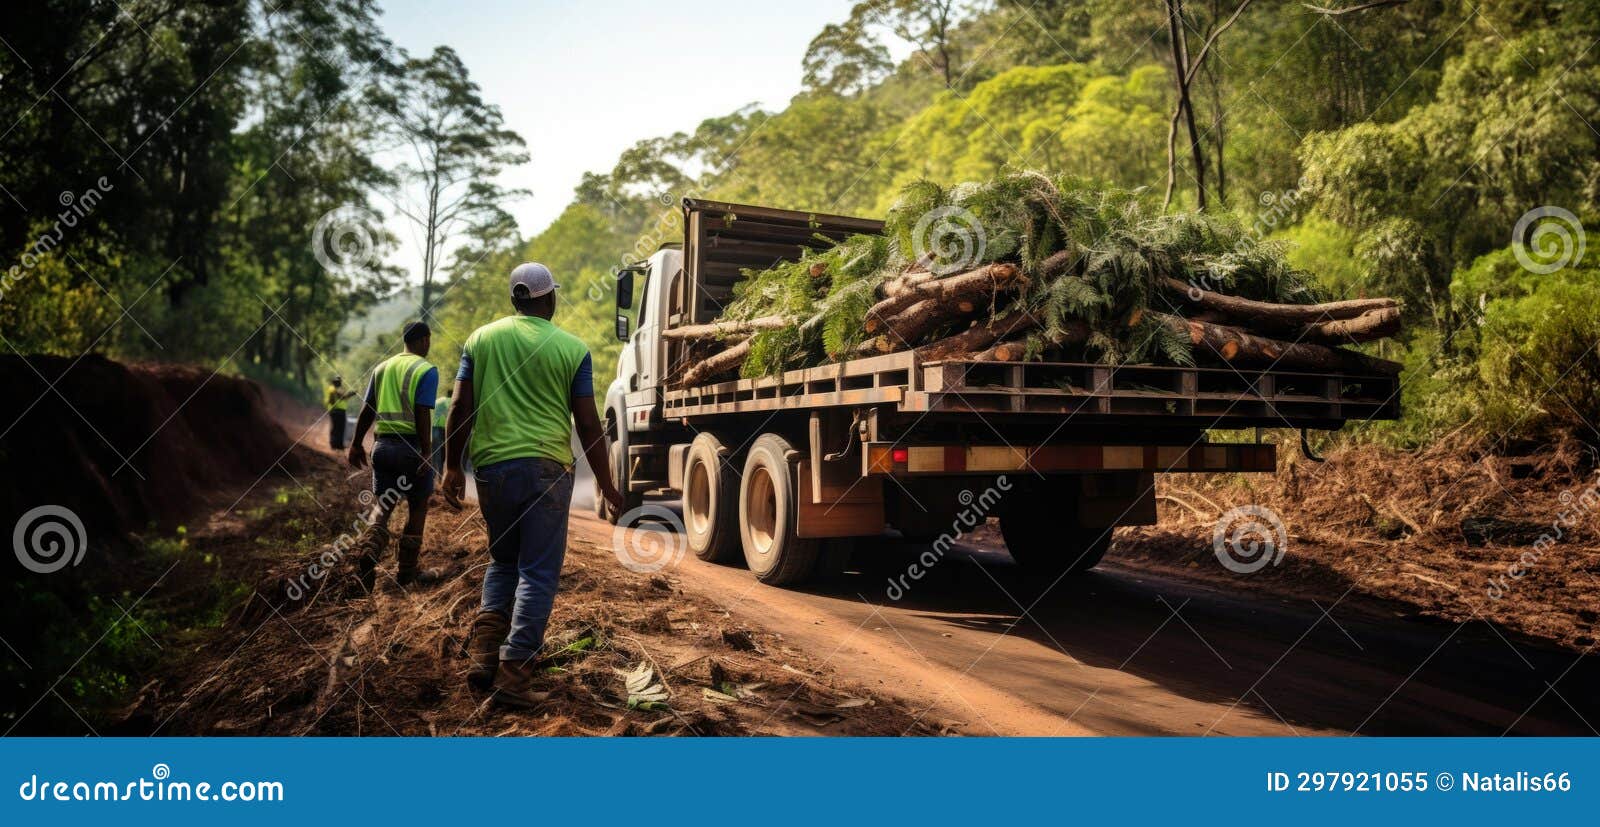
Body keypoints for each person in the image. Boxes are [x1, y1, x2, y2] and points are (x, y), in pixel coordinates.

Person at [442, 262, 624, 708]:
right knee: (538, 573)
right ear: (550, 298)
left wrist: (452, 467)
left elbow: (460, 406)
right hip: (547, 471)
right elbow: (588, 423)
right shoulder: (573, 349)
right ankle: (513, 677)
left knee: (503, 561)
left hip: (491, 469)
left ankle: (483, 655)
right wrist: (607, 483)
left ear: (514, 299)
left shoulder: (480, 340)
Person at [347, 321, 442, 590]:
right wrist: (426, 451)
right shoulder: (426, 370)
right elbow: (422, 411)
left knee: (383, 505)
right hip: (411, 448)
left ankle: (369, 551)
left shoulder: (382, 368)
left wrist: (356, 443)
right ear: (424, 340)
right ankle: (407, 573)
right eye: (429, 340)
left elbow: (368, 408)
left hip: (382, 447)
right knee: (418, 506)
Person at [325, 376, 354, 450]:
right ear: (335, 382)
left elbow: (342, 396)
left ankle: (337, 444)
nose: (340, 383)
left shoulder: (335, 389)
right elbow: (343, 397)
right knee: (337, 428)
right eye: (338, 382)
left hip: (338, 411)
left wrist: (349, 394)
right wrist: (350, 394)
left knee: (339, 428)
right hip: (337, 410)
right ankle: (335, 444)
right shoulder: (333, 389)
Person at [430, 387, 451, 472]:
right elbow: (449, 414)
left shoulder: (438, 400)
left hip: (435, 427)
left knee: (436, 451)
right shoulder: (450, 401)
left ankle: (436, 472)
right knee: (447, 451)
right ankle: (444, 472)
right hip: (445, 428)